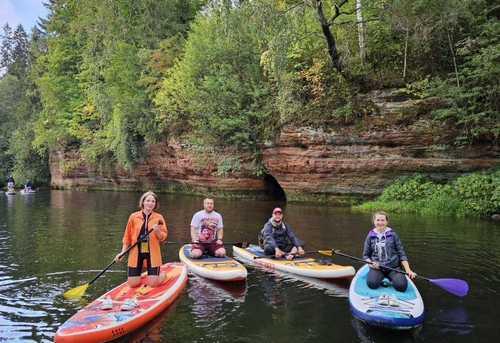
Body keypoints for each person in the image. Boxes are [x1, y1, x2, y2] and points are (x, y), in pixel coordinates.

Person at [115, 191, 168, 288]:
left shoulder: (159, 218)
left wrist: (158, 232)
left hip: (152, 253)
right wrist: (122, 253)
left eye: (153, 201)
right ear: (143, 202)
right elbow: (127, 236)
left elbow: (163, 238)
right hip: (136, 252)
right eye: (148, 200)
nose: (150, 203)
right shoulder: (133, 217)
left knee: (153, 284)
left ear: (155, 204)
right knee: (133, 284)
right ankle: (147, 276)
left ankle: (162, 274)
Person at [362, 211, 416, 292]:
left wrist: (408, 270)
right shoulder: (370, 236)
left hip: (393, 268)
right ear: (374, 221)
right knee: (372, 284)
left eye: (383, 220)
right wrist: (371, 264)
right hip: (377, 268)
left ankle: (392, 278)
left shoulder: (393, 235)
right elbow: (366, 256)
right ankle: (381, 278)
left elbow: (402, 253)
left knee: (401, 286)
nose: (380, 222)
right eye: (378, 220)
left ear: (387, 222)